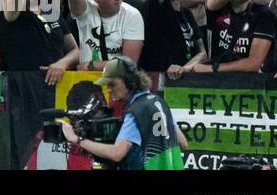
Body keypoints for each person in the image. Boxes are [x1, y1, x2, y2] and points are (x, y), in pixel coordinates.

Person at [58, 57, 186, 169]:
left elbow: (116, 154)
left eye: (112, 84)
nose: (108, 89)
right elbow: (183, 143)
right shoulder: (159, 103)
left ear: (131, 81)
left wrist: (77, 139)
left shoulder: (135, 111)